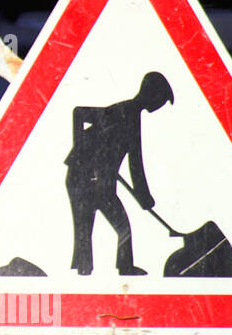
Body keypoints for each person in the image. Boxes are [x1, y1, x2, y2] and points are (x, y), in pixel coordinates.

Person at [64, 72, 173, 276]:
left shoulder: (133, 117)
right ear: (152, 94)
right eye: (161, 99)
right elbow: (79, 112)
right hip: (82, 178)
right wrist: (83, 156)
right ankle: (88, 273)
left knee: (118, 227)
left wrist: (144, 197)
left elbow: (135, 163)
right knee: (86, 230)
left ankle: (120, 268)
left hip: (100, 180)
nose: (159, 105)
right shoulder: (121, 111)